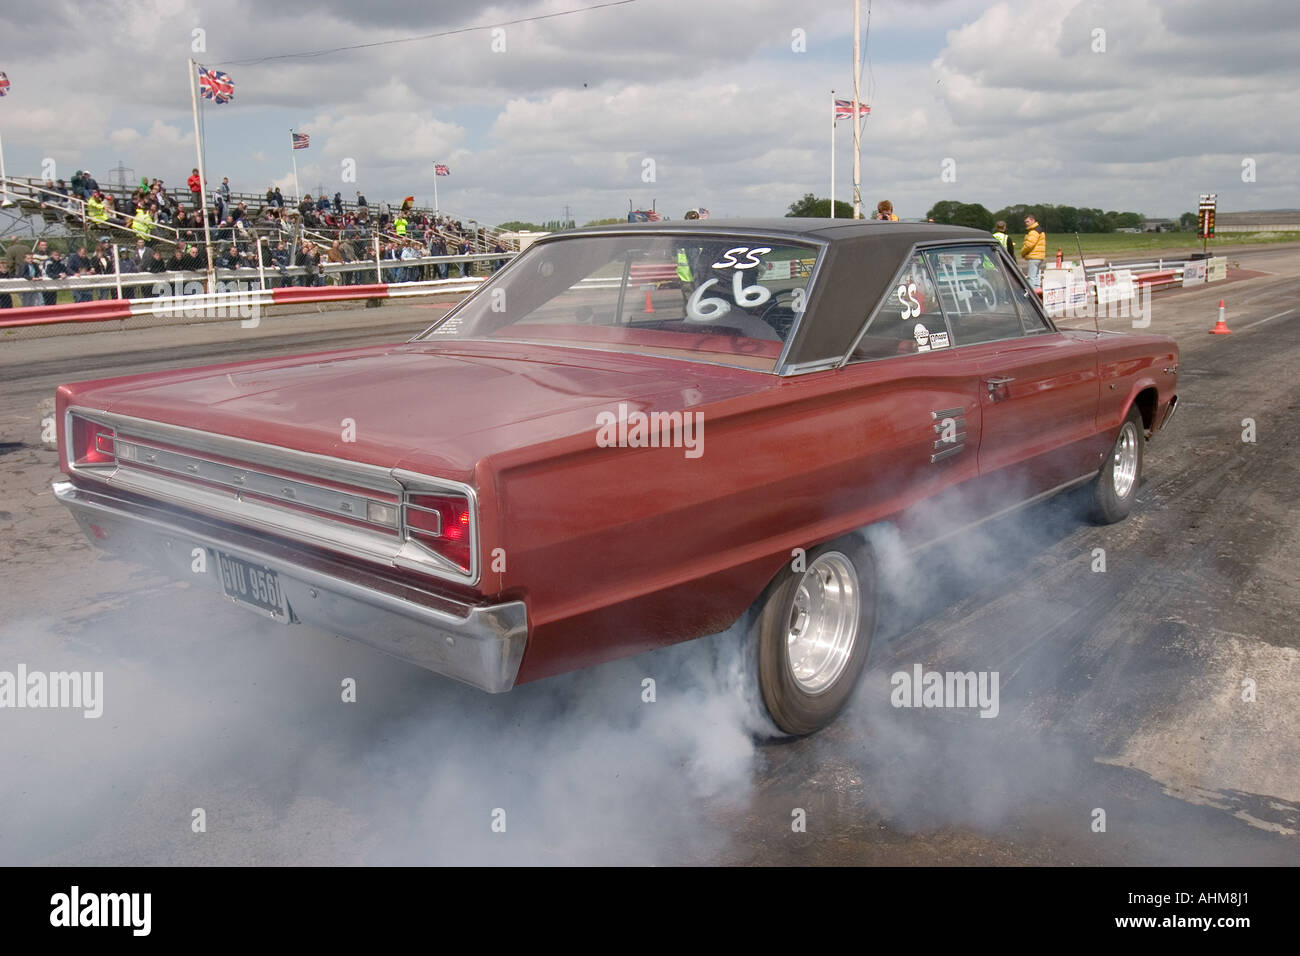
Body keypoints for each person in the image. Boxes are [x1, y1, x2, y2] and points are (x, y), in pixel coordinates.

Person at [1021, 215, 1046, 287]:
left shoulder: (1033, 231)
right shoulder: (1039, 229)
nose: (1026, 223)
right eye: (1025, 222)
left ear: (1033, 220)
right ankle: (1037, 292)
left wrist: (1023, 252)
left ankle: (1031, 293)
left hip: (1034, 256)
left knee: (1031, 278)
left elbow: (1029, 245)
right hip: (1039, 256)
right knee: (1037, 277)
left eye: (1028, 221)